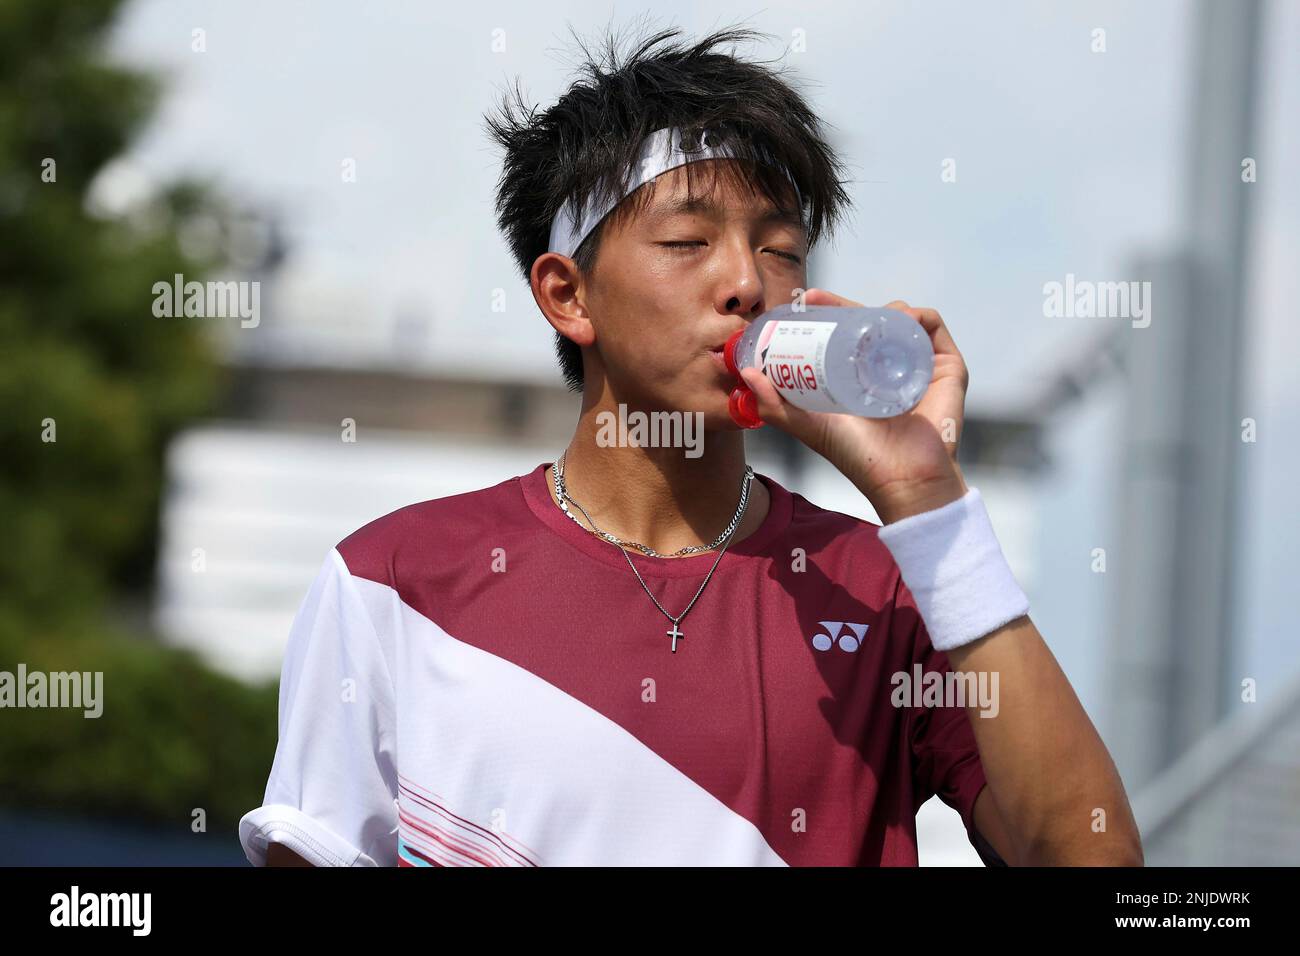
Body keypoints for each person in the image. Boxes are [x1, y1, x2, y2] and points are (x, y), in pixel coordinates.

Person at [239, 25, 1142, 867]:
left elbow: (1092, 857)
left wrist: (926, 501)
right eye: (687, 240)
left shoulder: (890, 589)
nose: (746, 282)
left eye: (782, 249)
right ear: (567, 296)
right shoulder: (393, 580)